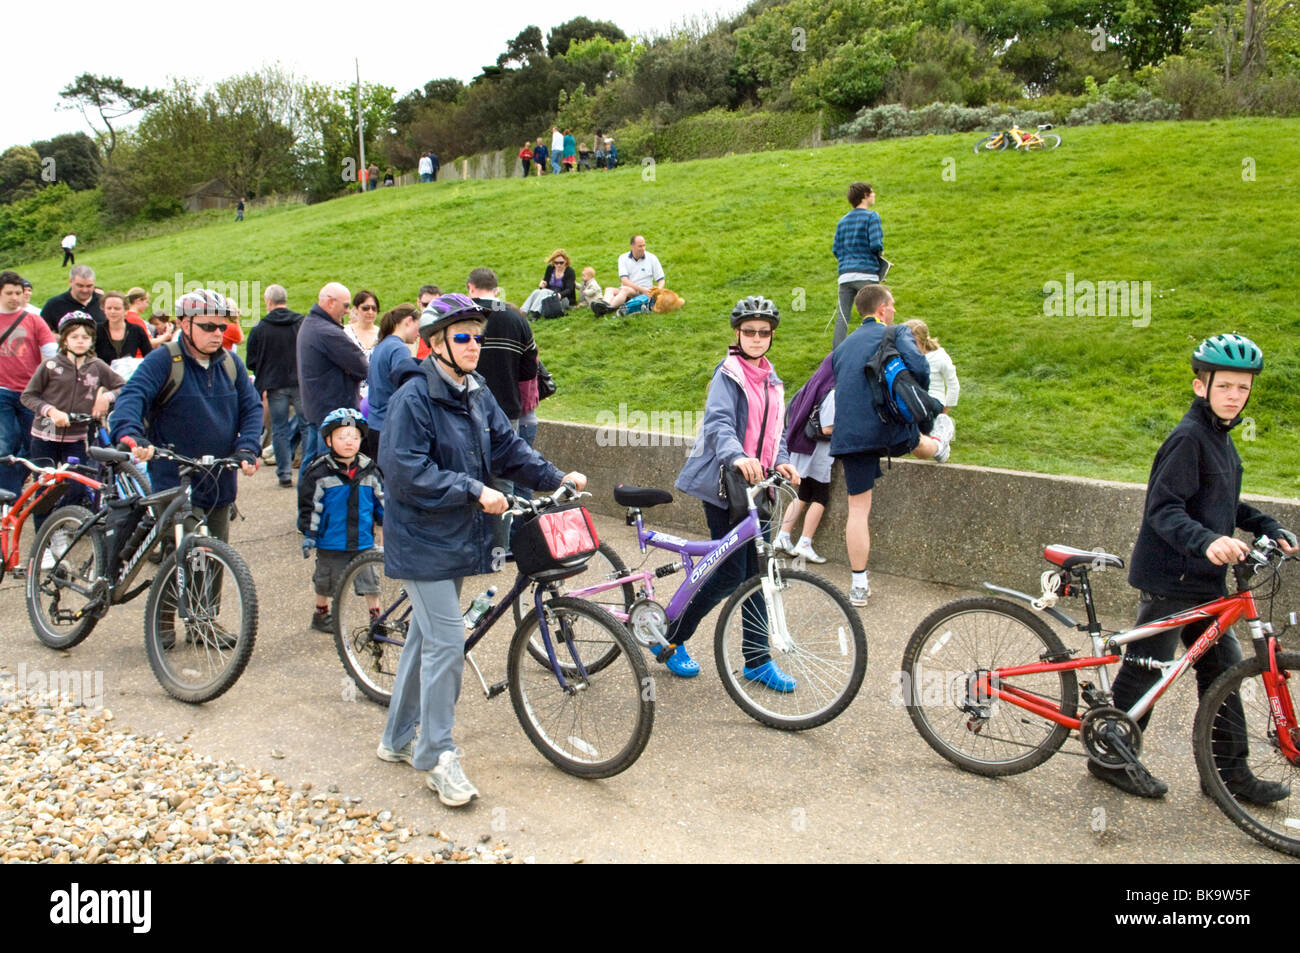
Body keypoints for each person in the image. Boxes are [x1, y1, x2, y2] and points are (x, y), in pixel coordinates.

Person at [375, 293, 586, 806]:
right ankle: (436, 756)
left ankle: (395, 739)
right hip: (422, 539)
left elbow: (508, 448)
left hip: (457, 536)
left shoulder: (476, 389)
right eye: (463, 336)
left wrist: (555, 476)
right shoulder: (414, 398)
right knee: (448, 642)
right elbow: (405, 470)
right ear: (436, 344)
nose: (475, 345)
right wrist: (472, 489)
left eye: (479, 336)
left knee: (427, 639)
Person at [1089, 333, 1299, 800]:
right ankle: (1110, 758)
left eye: (1242, 389)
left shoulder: (1219, 438)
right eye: (1224, 386)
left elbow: (1221, 502)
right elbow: (1164, 509)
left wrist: (1265, 525)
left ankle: (1228, 775)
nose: (1234, 396)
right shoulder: (1189, 438)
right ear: (1200, 386)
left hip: (1203, 583)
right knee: (1147, 668)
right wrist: (1208, 541)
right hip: (1171, 579)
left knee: (1222, 676)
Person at [667, 296, 800, 684]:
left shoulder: (773, 380)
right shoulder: (729, 374)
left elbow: (778, 433)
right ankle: (670, 638)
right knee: (728, 576)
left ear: (771, 336)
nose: (757, 338)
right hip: (728, 487)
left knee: (758, 575)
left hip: (761, 489)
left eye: (764, 332)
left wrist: (785, 460)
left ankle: (757, 661)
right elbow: (719, 424)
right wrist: (737, 456)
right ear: (737, 334)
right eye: (749, 332)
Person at [829, 284, 953, 607]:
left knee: (857, 510)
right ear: (882, 309)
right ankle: (940, 446)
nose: (895, 310)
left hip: (849, 435)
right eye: (893, 305)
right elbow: (921, 368)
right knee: (916, 441)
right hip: (886, 425)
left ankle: (858, 585)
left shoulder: (841, 347)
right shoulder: (896, 332)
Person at [109, 290, 262, 546]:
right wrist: (131, 433)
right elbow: (132, 396)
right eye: (208, 327)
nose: (217, 334)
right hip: (175, 482)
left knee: (214, 565)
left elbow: (252, 408)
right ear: (184, 324)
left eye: (222, 327)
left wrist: (247, 447)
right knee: (188, 562)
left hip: (218, 480)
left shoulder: (230, 363)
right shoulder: (164, 360)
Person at [21, 312, 125, 525]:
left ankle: (57, 523)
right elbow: (28, 396)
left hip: (76, 436)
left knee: (76, 487)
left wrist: (106, 397)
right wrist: (50, 411)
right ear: (65, 340)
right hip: (46, 434)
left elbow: (123, 386)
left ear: (91, 341)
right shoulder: (51, 366)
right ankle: (46, 541)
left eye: (85, 337)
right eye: (75, 337)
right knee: (45, 488)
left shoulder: (97, 366)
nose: (80, 341)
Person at [466, 268, 538, 551]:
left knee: (469, 475)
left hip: (467, 407)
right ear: (496, 289)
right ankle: (501, 546)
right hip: (506, 410)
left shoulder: (463, 318)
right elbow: (529, 369)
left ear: (471, 288)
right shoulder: (516, 319)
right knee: (505, 478)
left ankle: (476, 542)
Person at [299, 407, 384, 633]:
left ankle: (376, 617)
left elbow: (380, 501)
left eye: (354, 437)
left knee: (370, 581)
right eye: (342, 437)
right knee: (326, 579)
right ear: (328, 440)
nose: (349, 442)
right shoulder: (319, 473)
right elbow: (310, 506)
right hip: (331, 540)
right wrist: (309, 534)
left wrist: (386, 524)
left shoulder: (370, 470)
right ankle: (321, 612)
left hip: (363, 539)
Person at [295, 282, 369, 482]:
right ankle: (315, 510)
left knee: (311, 463)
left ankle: (306, 509)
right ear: (329, 302)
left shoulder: (311, 324)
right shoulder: (327, 332)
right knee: (325, 468)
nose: (347, 311)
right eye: (345, 306)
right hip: (330, 412)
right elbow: (362, 366)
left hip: (316, 408)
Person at [0, 270, 60, 497]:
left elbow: (51, 352)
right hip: (2, 390)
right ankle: (8, 496)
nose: (14, 297)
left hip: (30, 391)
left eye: (18, 292)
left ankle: (23, 490)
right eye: (9, 293)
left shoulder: (33, 319)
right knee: (5, 443)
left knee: (33, 444)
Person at [775, 354, 837, 564]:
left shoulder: (811, 385)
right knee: (820, 496)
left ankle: (783, 536)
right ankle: (805, 543)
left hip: (801, 447)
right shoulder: (832, 391)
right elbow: (828, 427)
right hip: (818, 450)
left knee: (803, 493)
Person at [245, 284, 305, 488]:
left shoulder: (260, 328)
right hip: (299, 382)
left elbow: (251, 361)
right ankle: (307, 470)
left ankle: (284, 472)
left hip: (274, 384)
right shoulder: (301, 323)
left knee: (279, 429)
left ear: (268, 302)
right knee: (307, 427)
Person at [832, 182, 885, 348]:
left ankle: (837, 353)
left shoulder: (842, 221)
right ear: (865, 196)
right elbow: (875, 244)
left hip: (845, 275)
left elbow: (836, 249)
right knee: (875, 313)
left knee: (842, 316)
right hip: (867, 274)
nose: (874, 195)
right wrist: (880, 255)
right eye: (872, 192)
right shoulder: (872, 217)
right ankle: (877, 348)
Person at [366, 303, 421, 460]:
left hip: (374, 425)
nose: (419, 333)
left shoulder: (382, 345)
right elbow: (407, 390)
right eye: (419, 326)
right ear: (408, 321)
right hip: (390, 428)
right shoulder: (399, 349)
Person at [592, 235, 665, 316]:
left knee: (625, 290)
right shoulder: (623, 258)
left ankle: (607, 308)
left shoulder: (652, 258)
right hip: (632, 289)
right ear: (632, 246)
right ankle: (605, 306)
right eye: (640, 246)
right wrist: (640, 288)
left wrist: (658, 290)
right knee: (609, 289)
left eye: (644, 245)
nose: (643, 248)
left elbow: (661, 279)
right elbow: (624, 280)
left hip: (644, 292)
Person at [905, 319, 959, 415]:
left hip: (934, 401)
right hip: (913, 399)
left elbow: (953, 385)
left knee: (921, 406)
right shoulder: (905, 355)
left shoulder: (939, 356)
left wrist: (944, 414)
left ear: (916, 340)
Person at [95, 291, 153, 366]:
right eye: (109, 308)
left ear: (125, 310)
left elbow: (149, 356)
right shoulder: (96, 330)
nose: (112, 311)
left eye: (117, 308)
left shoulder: (136, 330)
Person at [40, 265, 105, 333]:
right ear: (70, 282)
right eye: (80, 286)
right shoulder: (54, 305)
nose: (84, 290)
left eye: (89, 286)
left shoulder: (104, 302)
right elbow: (40, 332)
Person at [345, 290, 381, 359]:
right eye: (365, 308)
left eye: (374, 308)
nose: (370, 312)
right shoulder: (345, 332)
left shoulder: (382, 334)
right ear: (355, 309)